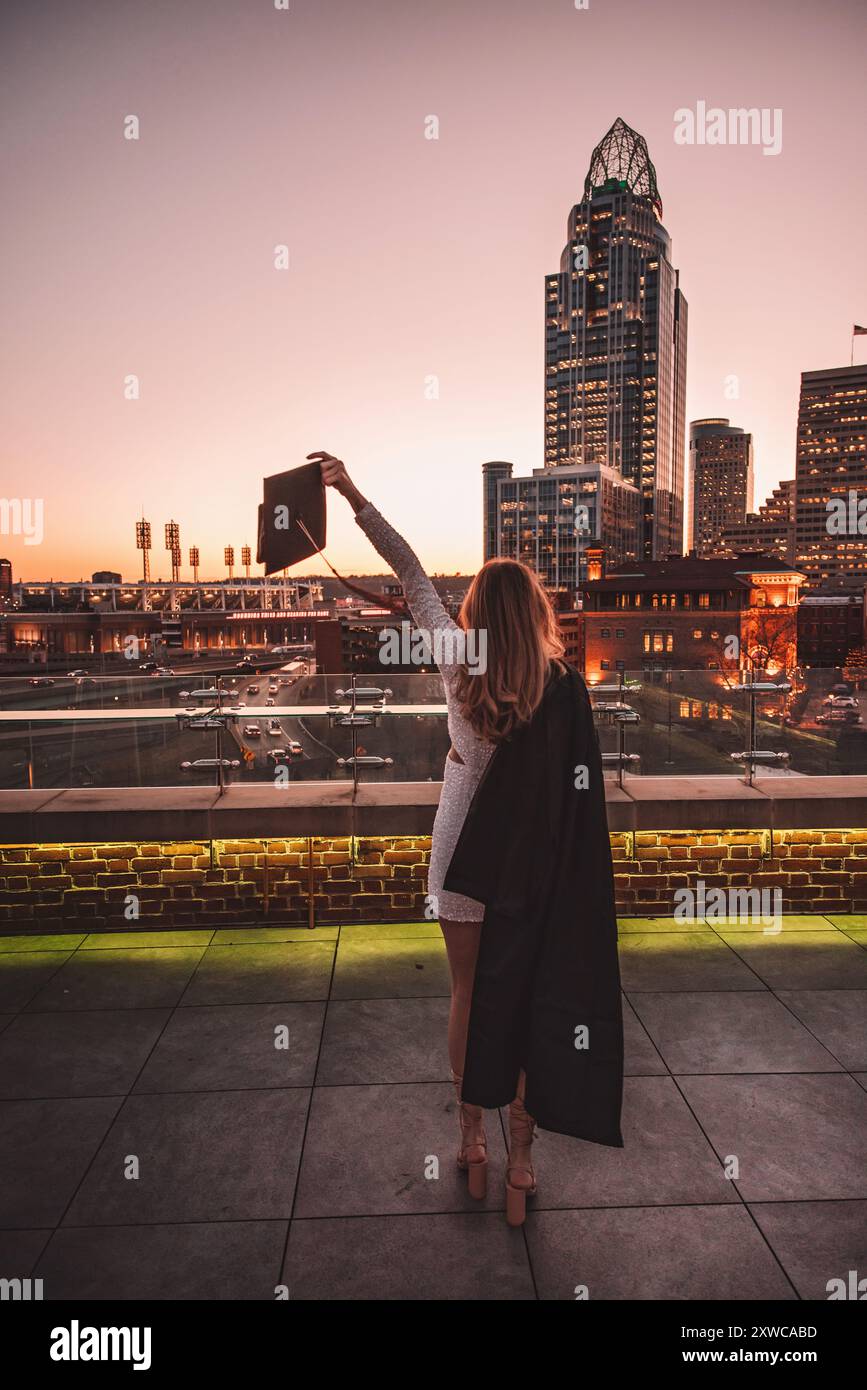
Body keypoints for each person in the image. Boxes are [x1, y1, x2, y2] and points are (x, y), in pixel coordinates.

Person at [312, 451, 621, 1226]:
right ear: (537, 613)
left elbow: (408, 566)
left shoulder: (456, 661)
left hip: (461, 853)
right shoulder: (561, 687)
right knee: (524, 1002)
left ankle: (472, 1143)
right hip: (532, 866)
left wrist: (350, 489)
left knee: (466, 995)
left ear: (478, 612)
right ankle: (522, 1163)